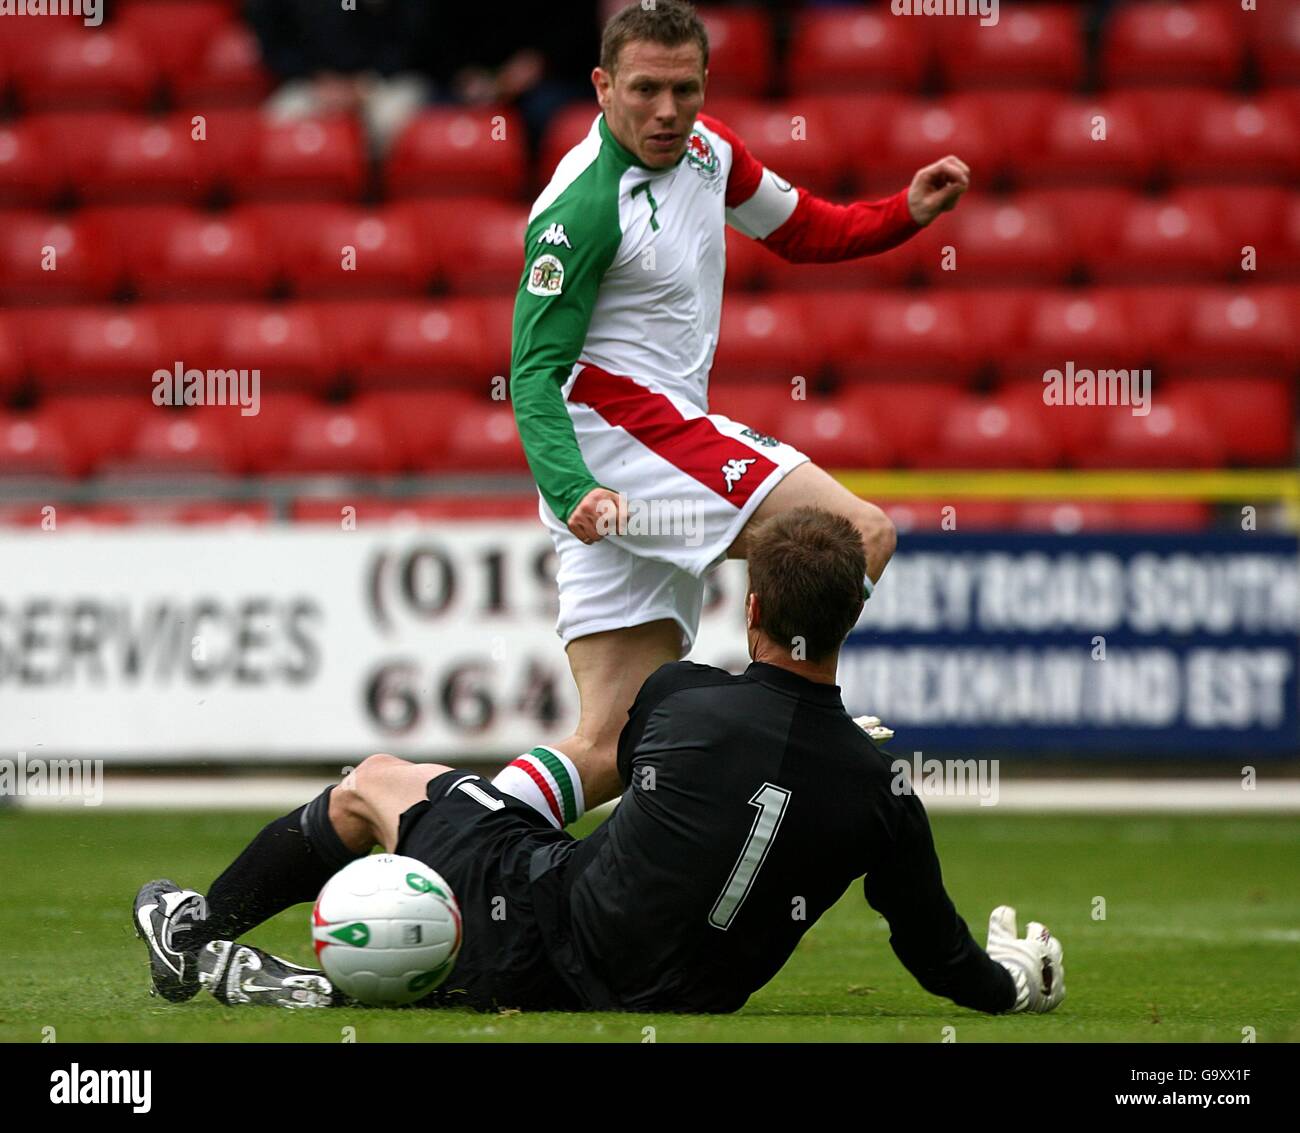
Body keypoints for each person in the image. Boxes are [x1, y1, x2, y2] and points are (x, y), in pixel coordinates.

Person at [133, 508, 1064, 1016]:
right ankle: (362, 965)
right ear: (855, 620)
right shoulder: (883, 795)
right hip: (684, 999)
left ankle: (198, 929)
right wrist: (1014, 982)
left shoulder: (686, 696)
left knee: (379, 779)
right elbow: (939, 957)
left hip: (535, 940)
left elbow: (618, 746)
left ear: (750, 612)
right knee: (514, 821)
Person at [496, 0, 971, 825]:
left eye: (684, 89)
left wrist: (906, 211)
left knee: (608, 747)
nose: (668, 112)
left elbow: (801, 230)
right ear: (603, 86)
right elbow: (532, 373)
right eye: (645, 90)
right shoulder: (581, 208)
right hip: (625, 438)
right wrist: (575, 489)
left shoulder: (710, 150)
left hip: (635, 452)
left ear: (705, 83)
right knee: (859, 536)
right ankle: (790, 726)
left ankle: (451, 832)